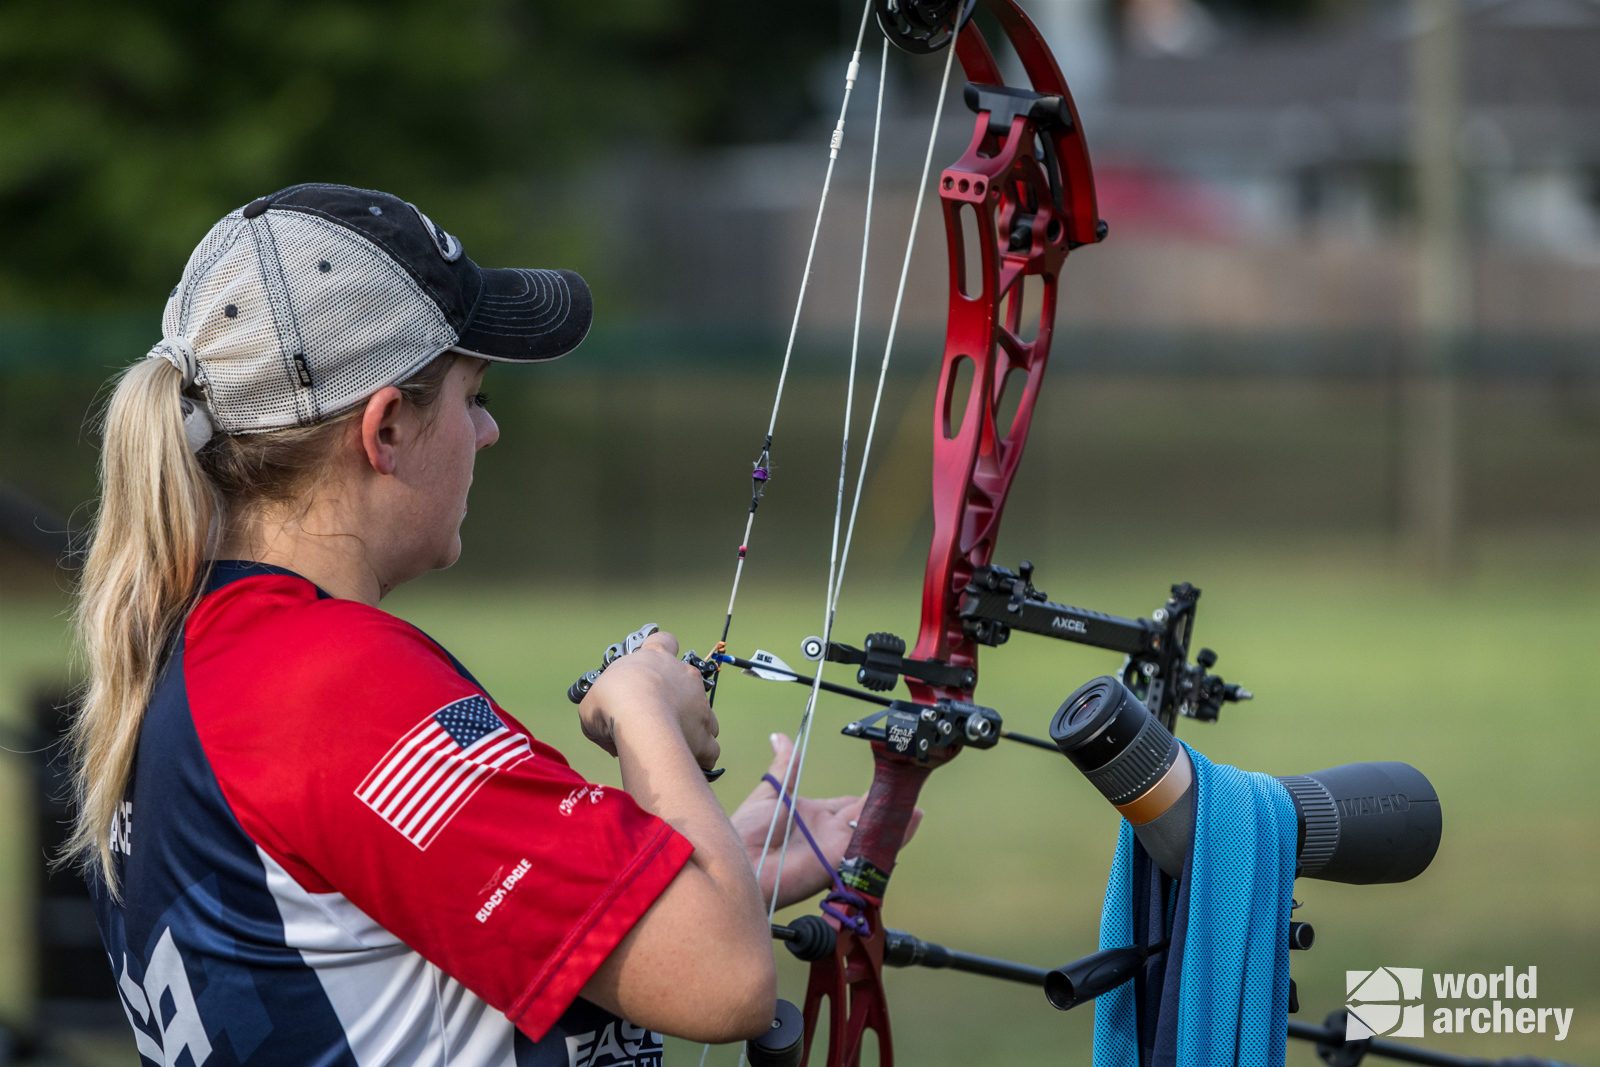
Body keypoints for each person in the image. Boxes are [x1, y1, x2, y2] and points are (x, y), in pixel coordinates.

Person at [68, 183, 906, 1067]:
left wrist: (719, 869)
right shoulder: (328, 683)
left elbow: (404, 944)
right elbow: (727, 978)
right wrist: (644, 706)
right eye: (474, 393)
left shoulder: (204, 657)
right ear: (386, 428)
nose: (490, 429)